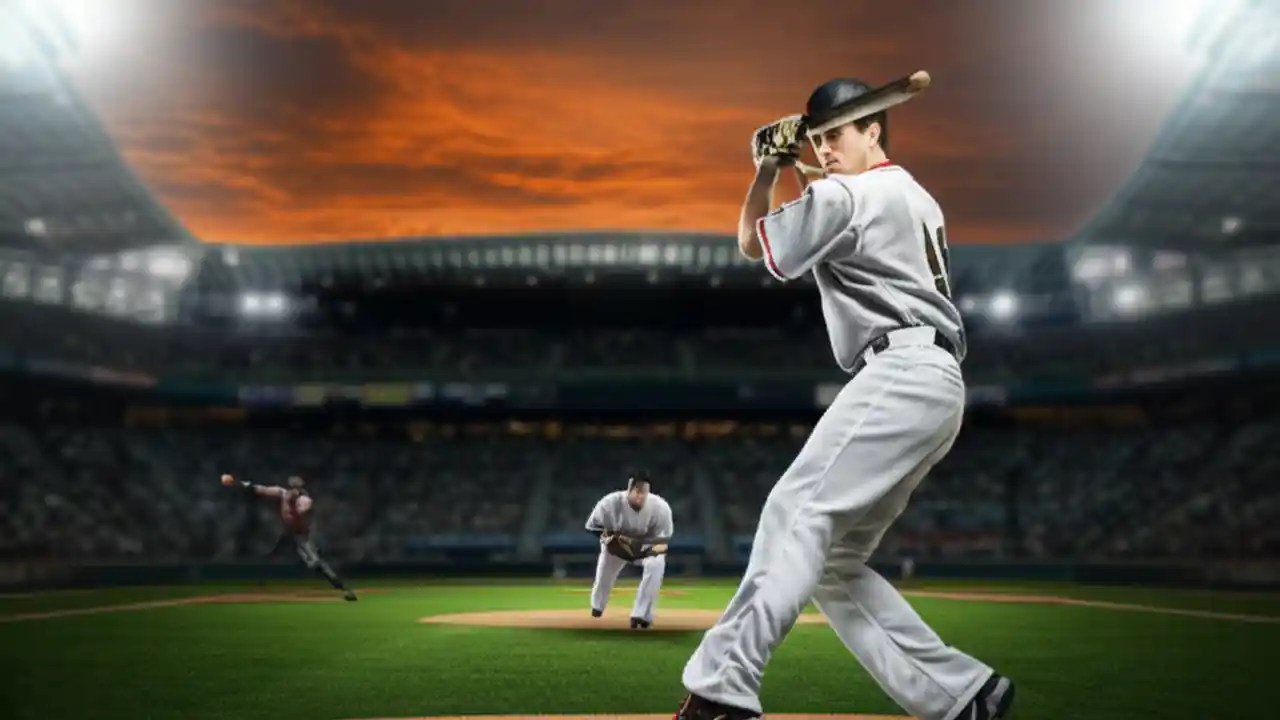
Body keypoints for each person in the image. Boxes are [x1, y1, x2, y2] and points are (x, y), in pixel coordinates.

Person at [674, 77, 1014, 720]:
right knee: (831, 560)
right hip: (936, 383)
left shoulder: (843, 193)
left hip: (900, 370)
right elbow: (833, 217)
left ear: (873, 131)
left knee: (794, 513)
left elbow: (755, 245)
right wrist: (793, 167)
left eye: (837, 134)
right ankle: (962, 695)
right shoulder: (914, 193)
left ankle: (722, 690)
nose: (826, 147)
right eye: (820, 137)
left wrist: (766, 169)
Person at [223, 473, 357, 601]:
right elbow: (259, 488)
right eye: (292, 487)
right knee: (272, 553)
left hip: (301, 536)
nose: (294, 490)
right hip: (288, 533)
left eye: (297, 488)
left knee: (316, 564)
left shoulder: (304, 500)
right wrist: (235, 482)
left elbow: (303, 513)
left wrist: (294, 505)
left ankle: (344, 588)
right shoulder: (282, 493)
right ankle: (260, 581)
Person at [584, 471, 672, 629]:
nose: (641, 497)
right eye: (638, 492)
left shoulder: (660, 507)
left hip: (645, 546)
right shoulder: (610, 503)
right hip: (616, 546)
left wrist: (643, 549)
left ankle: (641, 614)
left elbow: (663, 542)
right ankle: (597, 606)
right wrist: (610, 538)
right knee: (604, 573)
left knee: (657, 563)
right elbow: (591, 526)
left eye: (644, 493)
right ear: (629, 490)